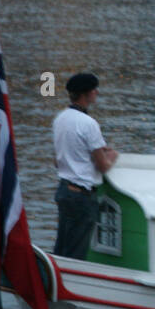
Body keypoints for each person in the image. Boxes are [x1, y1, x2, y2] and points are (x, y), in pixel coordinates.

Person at [53, 72, 119, 259]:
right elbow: (104, 166)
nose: (97, 92)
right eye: (94, 89)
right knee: (76, 254)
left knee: (62, 249)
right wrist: (112, 155)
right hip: (81, 196)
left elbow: (57, 160)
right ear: (86, 94)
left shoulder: (60, 119)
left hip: (64, 191)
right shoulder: (89, 124)